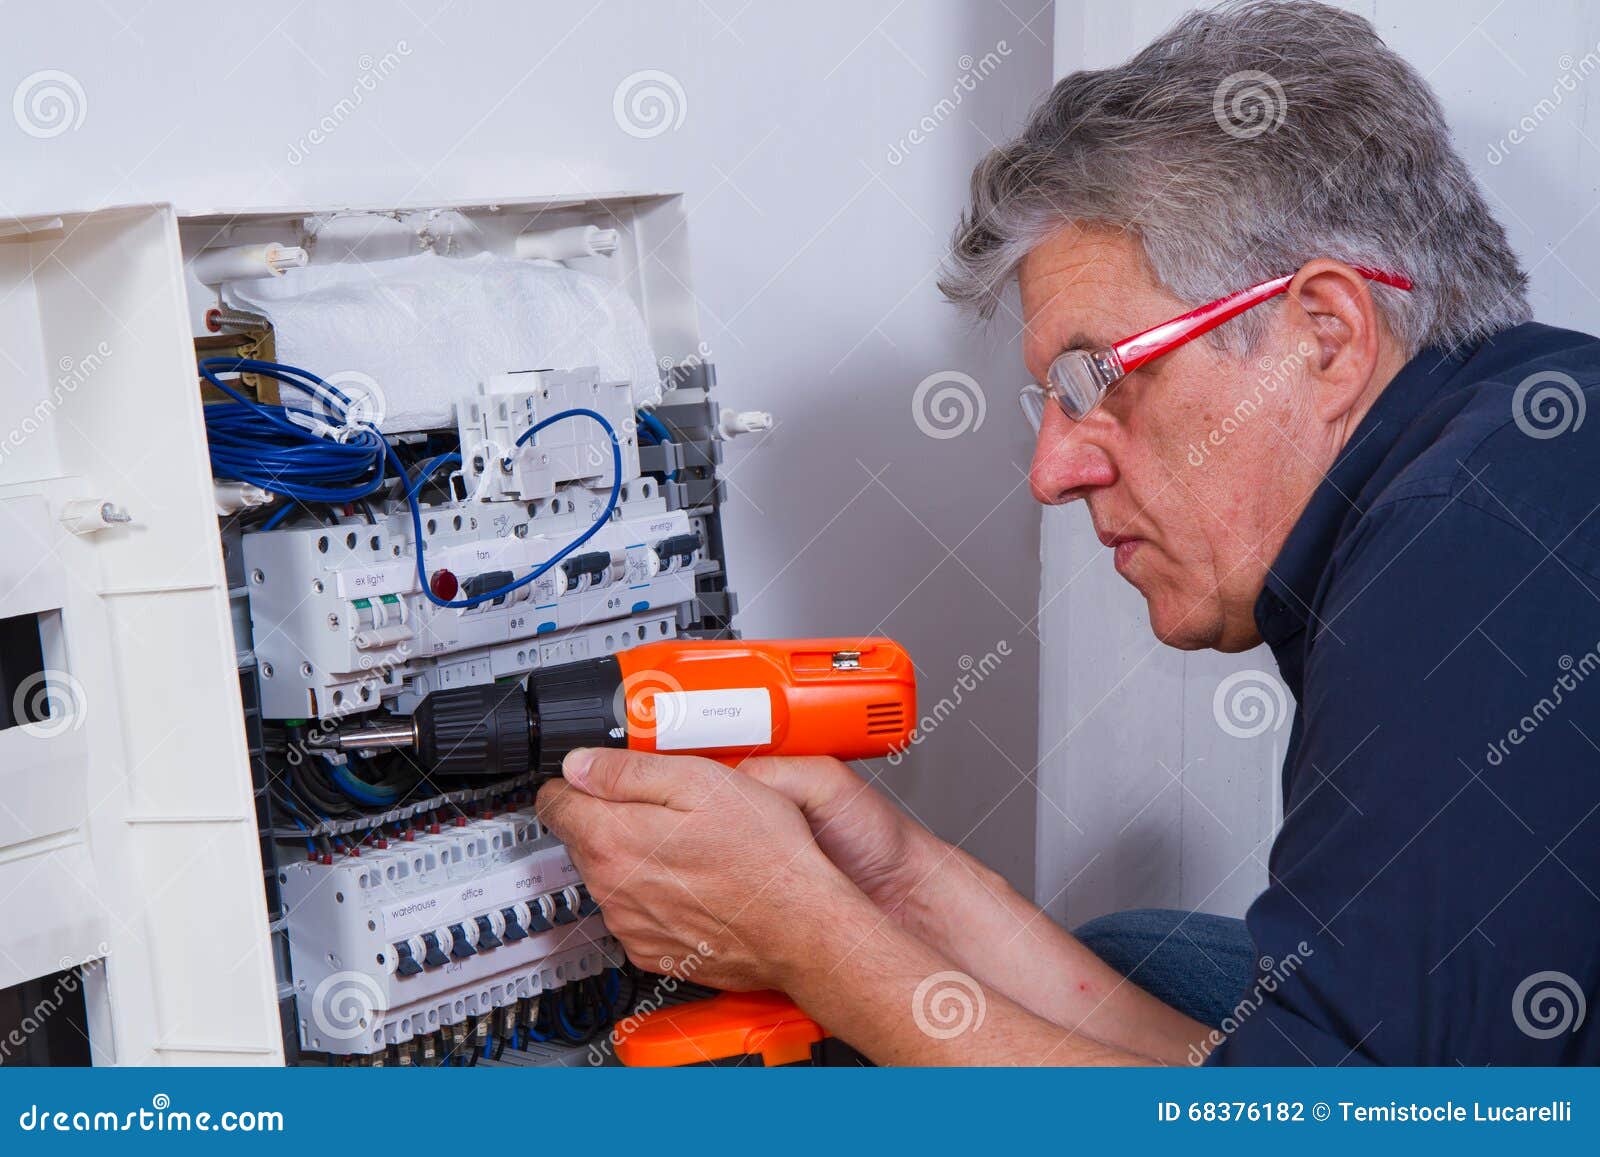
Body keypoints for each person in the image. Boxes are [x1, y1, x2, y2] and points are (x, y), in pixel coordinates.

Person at [538, 0, 1600, 1064]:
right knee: (1141, 949)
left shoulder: (1474, 549)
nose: (1052, 471)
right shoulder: (1510, 445)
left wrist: (808, 936)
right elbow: (1302, 1077)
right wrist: (904, 882)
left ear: (1322, 336)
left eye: (1099, 377)